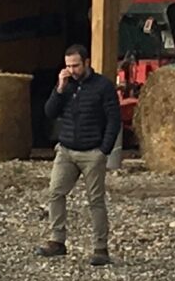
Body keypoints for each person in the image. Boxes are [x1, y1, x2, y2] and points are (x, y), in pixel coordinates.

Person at [40, 42, 122, 263]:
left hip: (92, 152)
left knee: (95, 201)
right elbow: (49, 112)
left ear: (86, 63)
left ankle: (100, 248)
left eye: (76, 65)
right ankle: (57, 241)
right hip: (66, 150)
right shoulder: (65, 85)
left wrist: (103, 150)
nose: (72, 70)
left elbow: (114, 119)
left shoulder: (103, 86)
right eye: (68, 65)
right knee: (55, 193)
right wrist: (59, 89)